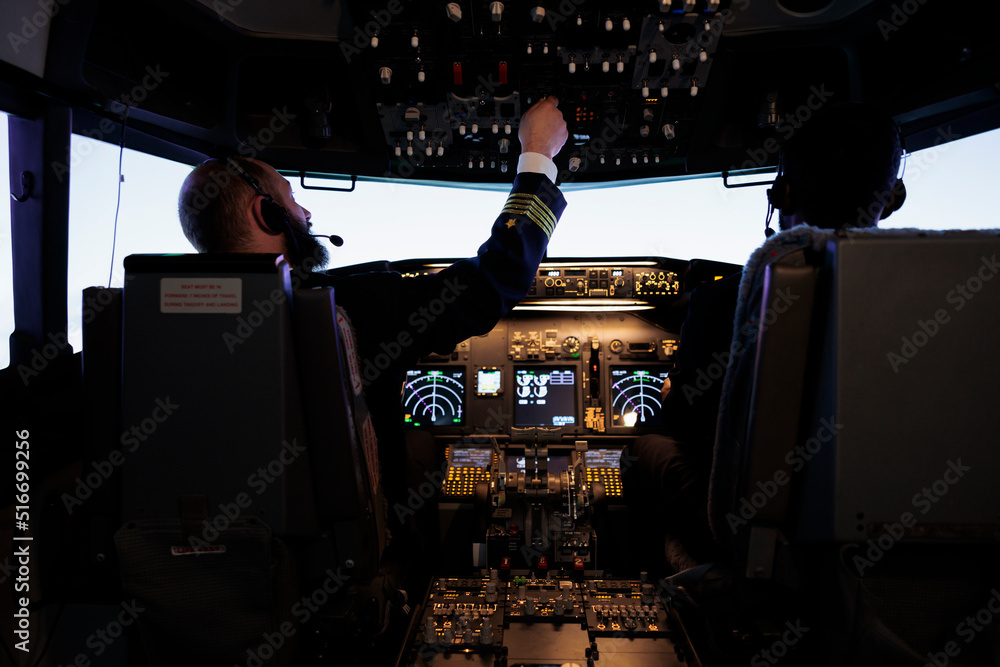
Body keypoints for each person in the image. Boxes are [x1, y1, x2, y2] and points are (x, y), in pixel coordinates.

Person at [176, 96, 568, 573]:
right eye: (292, 200)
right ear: (267, 215)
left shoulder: (150, 340)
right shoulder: (345, 310)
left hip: (217, 580)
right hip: (359, 575)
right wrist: (538, 153)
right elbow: (494, 280)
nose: (306, 214)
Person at [621, 102, 905, 572]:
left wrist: (675, 393)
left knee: (647, 442)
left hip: (753, 544)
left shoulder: (730, 302)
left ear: (782, 194)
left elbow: (688, 428)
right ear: (893, 198)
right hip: (882, 539)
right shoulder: (930, 298)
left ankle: (678, 583)